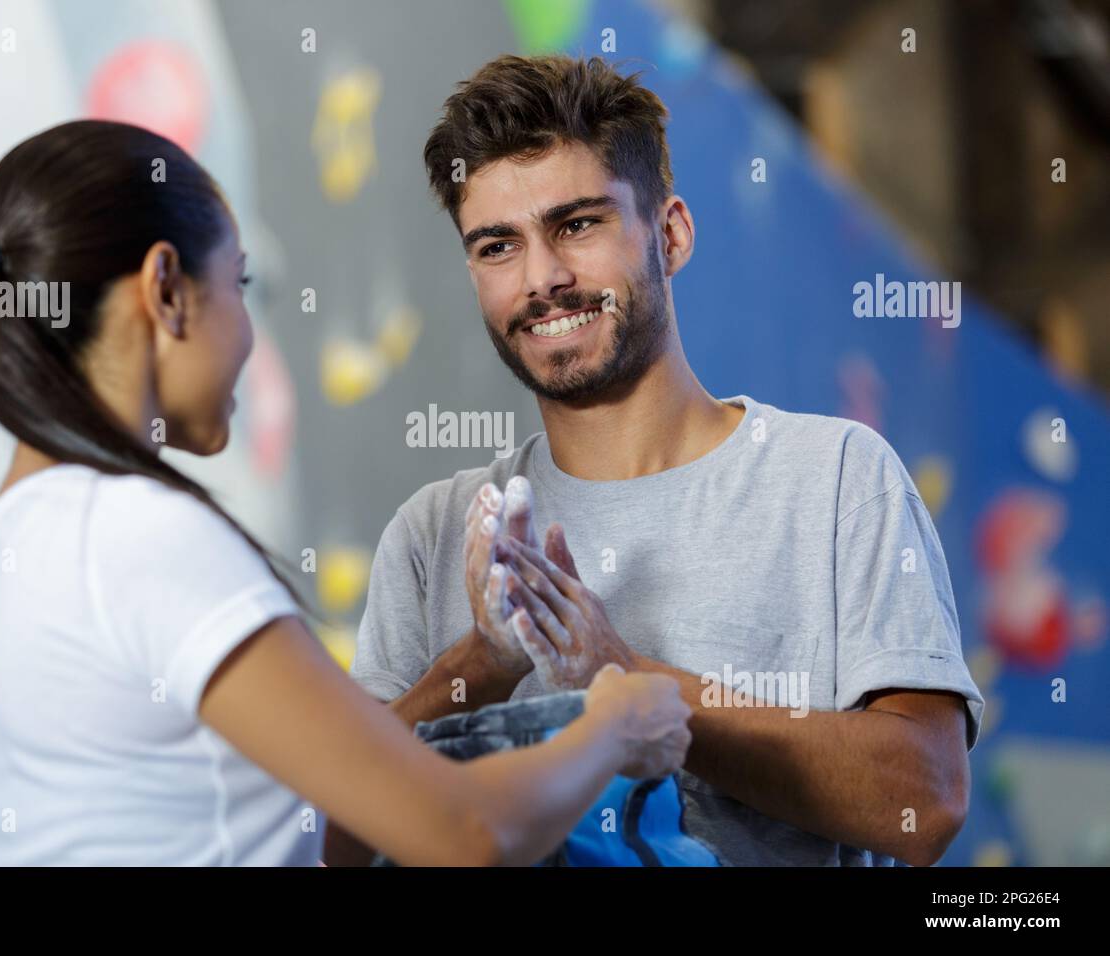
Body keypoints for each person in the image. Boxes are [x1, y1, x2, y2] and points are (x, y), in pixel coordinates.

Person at [0, 119, 692, 867]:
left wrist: (482, 662)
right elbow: (464, 834)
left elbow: (309, 821)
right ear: (167, 289)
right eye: (240, 283)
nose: (251, 334)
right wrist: (616, 727)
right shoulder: (138, 536)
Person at [347, 55, 986, 867]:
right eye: (498, 245)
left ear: (671, 234)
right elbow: (332, 843)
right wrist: (482, 663)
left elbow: (924, 801)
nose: (543, 279)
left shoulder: (833, 479)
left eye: (578, 224)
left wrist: (624, 679)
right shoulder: (431, 534)